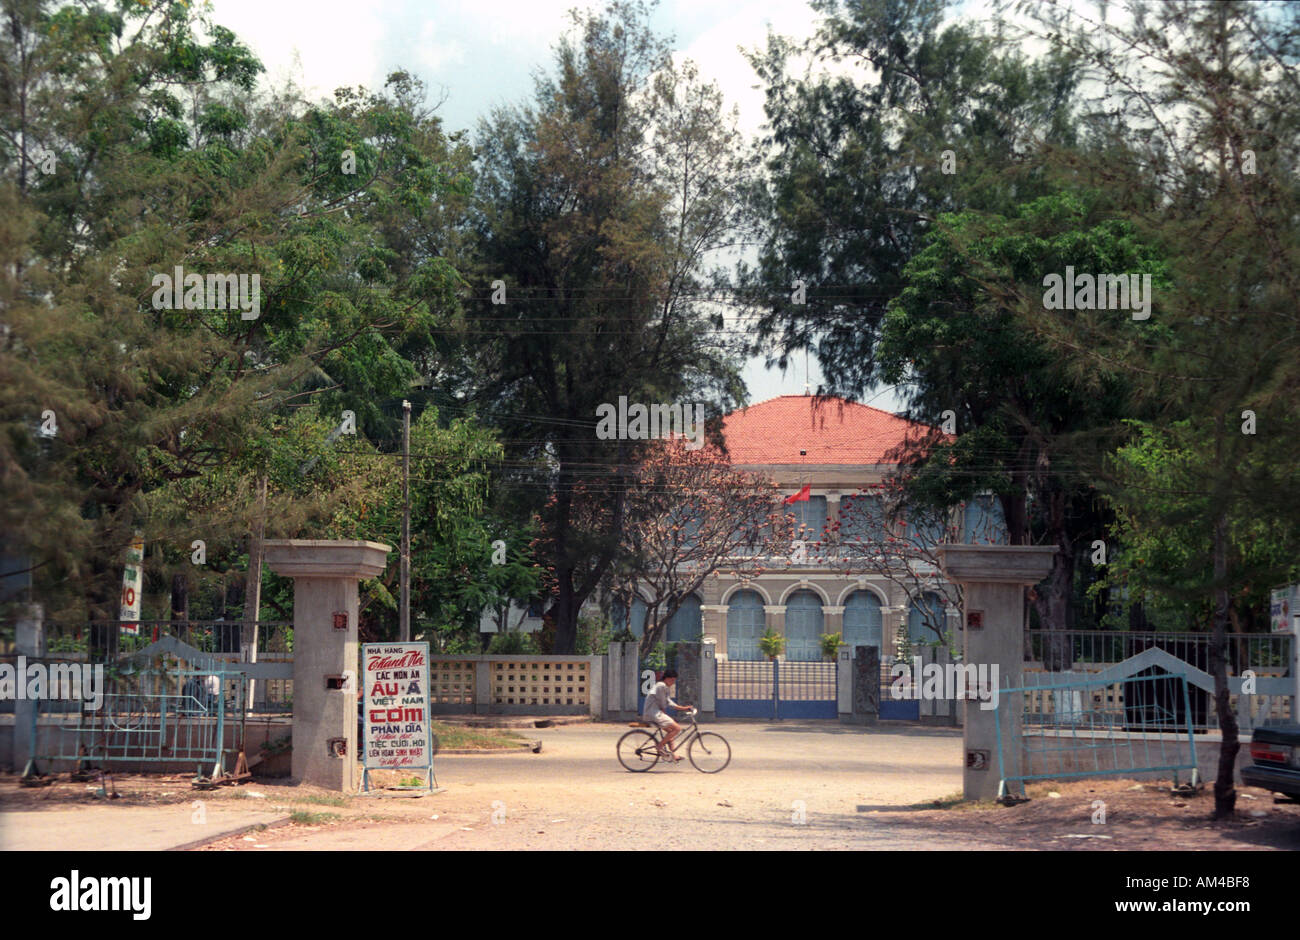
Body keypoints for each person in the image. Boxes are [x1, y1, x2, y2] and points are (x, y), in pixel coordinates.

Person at [643, 669, 692, 761]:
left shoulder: (662, 686)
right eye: (672, 680)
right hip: (653, 713)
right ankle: (659, 746)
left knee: (671, 732)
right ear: (667, 678)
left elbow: (667, 702)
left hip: (654, 712)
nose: (673, 683)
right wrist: (683, 708)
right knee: (677, 728)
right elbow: (664, 703)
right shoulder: (661, 686)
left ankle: (673, 755)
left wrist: (683, 708)